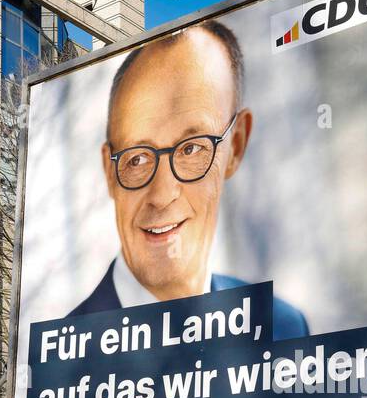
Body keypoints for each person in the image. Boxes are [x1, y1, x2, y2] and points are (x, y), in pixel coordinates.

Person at [67, 22, 308, 340]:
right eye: (137, 158)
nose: (163, 194)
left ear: (235, 146)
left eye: (191, 149)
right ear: (109, 171)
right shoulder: (59, 359)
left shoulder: (282, 326)